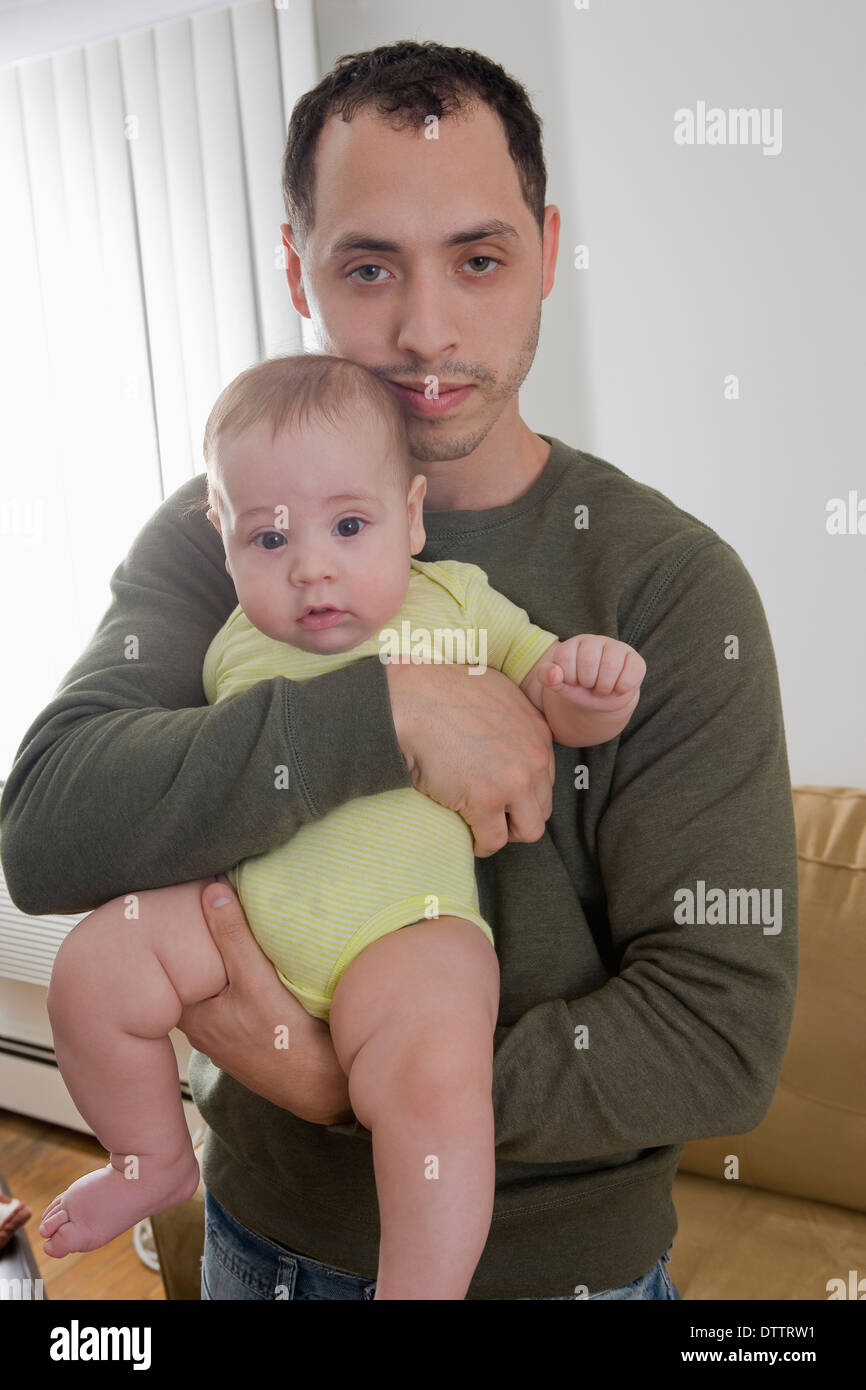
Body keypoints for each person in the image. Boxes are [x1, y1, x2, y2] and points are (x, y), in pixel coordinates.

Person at [0, 40, 798, 1301]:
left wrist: (345, 1080)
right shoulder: (230, 533)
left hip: (556, 1282)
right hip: (249, 1242)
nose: (426, 330)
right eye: (367, 267)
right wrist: (385, 710)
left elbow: (715, 1041)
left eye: (479, 259)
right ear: (294, 268)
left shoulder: (669, 587)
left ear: (543, 251)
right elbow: (47, 827)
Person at [38, 352, 646, 1301]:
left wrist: (591, 691)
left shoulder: (456, 603)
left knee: (436, 1091)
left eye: (351, 525)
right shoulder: (226, 641)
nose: (313, 566)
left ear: (410, 518)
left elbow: (550, 695)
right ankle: (150, 1160)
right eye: (268, 541)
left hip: (405, 929)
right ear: (223, 539)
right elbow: (83, 808)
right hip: (240, 918)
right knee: (91, 966)